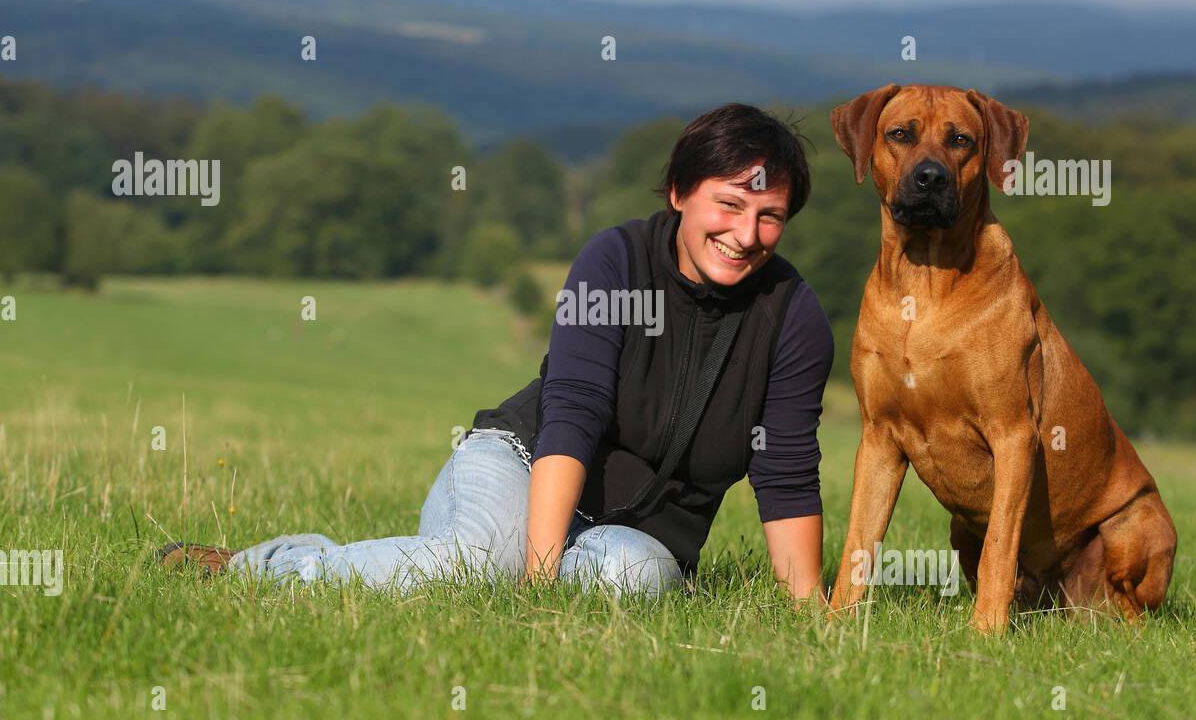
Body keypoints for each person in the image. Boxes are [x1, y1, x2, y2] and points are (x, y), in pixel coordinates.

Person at [159, 103, 834, 606]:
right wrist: (536, 581)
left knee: (628, 584)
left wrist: (808, 619)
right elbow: (574, 412)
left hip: (634, 533)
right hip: (520, 466)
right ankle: (264, 567)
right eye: (727, 205)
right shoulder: (615, 260)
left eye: (769, 215)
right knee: (471, 567)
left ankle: (539, 568)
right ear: (680, 193)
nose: (746, 234)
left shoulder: (792, 317)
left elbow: (786, 475)